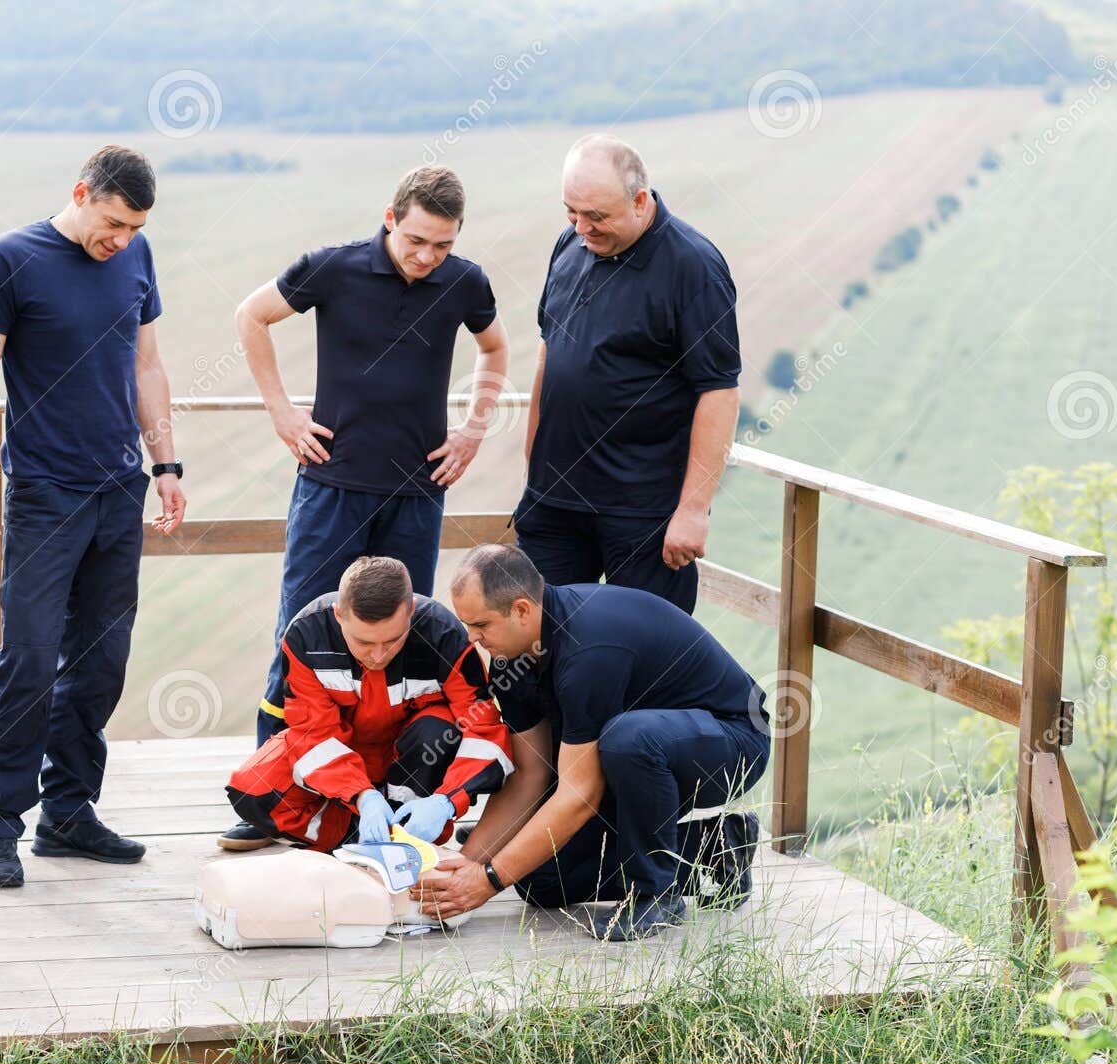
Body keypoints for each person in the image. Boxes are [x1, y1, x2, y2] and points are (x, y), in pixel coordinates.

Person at [221, 165, 510, 851]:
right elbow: (250, 315)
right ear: (390, 218)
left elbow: (495, 348)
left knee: (400, 645)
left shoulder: (465, 282)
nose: (427, 256)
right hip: (332, 485)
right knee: (300, 637)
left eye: (442, 245)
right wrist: (281, 411)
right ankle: (274, 794)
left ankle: (385, 803)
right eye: (416, 240)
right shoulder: (332, 268)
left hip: (418, 491)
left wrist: (473, 429)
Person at [0, 145, 187, 888]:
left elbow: (146, 364)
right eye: (113, 223)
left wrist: (166, 464)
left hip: (120, 490)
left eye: (134, 228)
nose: (121, 239)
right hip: (44, 493)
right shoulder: (11, 259)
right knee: (26, 660)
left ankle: (68, 811)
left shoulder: (137, 254)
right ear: (81, 193)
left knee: (101, 661)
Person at [414, 544, 769, 941]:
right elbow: (530, 776)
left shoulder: (588, 651)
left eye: (481, 624)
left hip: (730, 742)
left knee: (628, 740)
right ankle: (716, 847)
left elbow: (579, 794)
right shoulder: (509, 660)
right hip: (639, 760)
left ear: (522, 610)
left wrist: (488, 880)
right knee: (541, 881)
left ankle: (655, 893)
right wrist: (465, 867)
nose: (472, 637)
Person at [516, 134, 741, 615]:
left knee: (644, 648)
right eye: (571, 213)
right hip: (555, 502)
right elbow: (549, 353)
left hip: (643, 515)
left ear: (640, 201)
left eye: (596, 216)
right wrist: (533, 460)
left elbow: (719, 391)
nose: (582, 229)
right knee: (537, 644)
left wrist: (693, 510)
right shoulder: (570, 244)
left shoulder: (693, 266)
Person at [226, 557, 513, 852]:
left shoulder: (445, 637)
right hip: (343, 754)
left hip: (415, 756)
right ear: (339, 615)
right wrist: (362, 796)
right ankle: (355, 838)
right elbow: (312, 735)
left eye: (392, 640)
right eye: (363, 642)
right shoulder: (306, 635)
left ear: (411, 611)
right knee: (252, 792)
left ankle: (405, 836)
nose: (378, 656)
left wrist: (447, 801)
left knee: (438, 729)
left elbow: (484, 730)